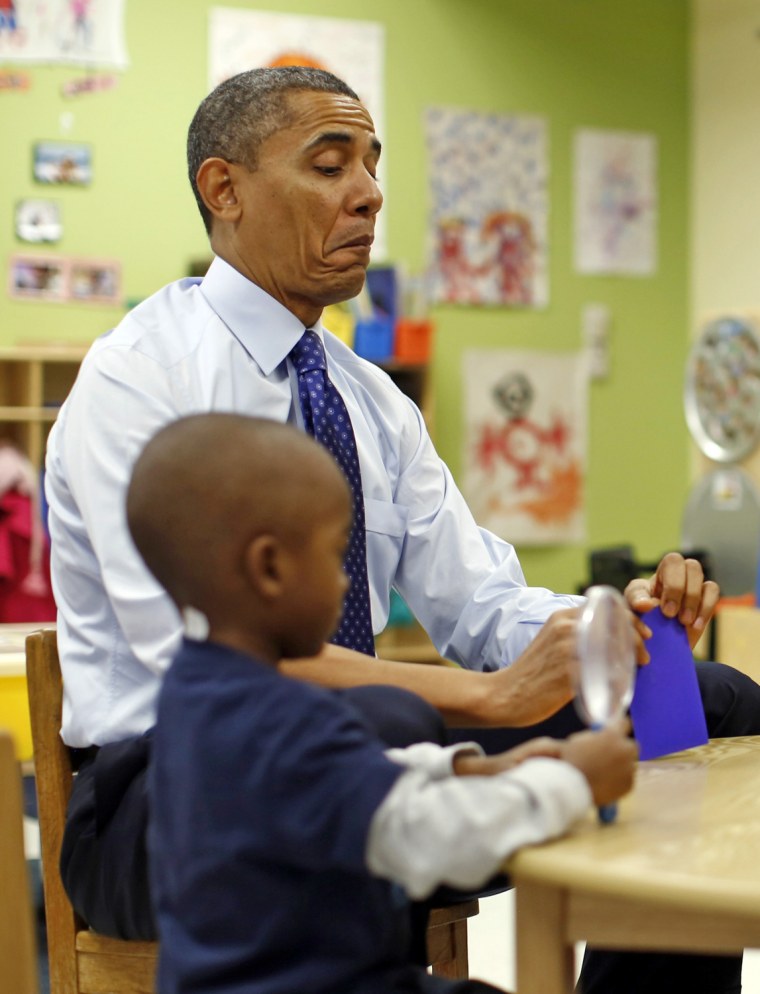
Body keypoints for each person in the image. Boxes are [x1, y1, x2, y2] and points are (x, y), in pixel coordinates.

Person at [44, 66, 759, 992]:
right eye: (331, 163)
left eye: (373, 165)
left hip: (357, 751)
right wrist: (493, 702)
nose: (371, 192)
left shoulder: (369, 397)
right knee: (389, 714)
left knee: (711, 701)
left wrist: (599, 631)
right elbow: (198, 663)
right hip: (172, 787)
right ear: (224, 190)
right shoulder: (140, 377)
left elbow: (483, 602)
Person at [127, 411, 638, 994]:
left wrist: (475, 768)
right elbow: (428, 836)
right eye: (333, 555)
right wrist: (572, 784)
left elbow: (342, 776)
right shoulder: (277, 720)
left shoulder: (201, 691)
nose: (347, 583)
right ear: (269, 567)